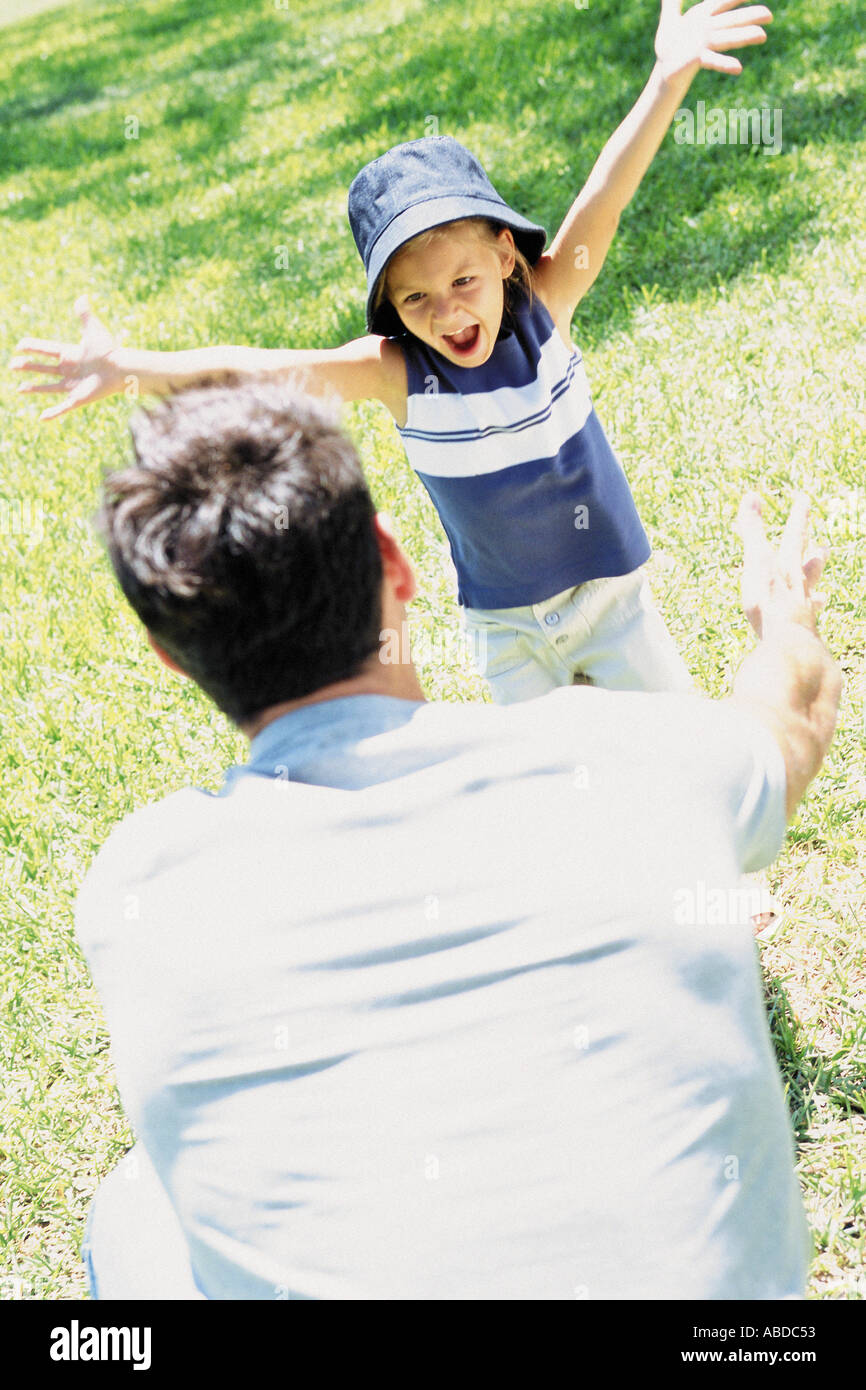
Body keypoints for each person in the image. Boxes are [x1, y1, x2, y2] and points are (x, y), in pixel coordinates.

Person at [77, 377, 839, 1300]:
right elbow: (790, 709)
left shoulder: (141, 891)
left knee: (133, 1208)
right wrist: (784, 617)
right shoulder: (641, 761)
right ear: (394, 561)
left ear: (168, 651)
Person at [11, 0, 773, 704]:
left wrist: (666, 80)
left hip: (610, 604)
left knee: (680, 759)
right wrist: (130, 368)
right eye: (416, 298)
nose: (446, 310)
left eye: (464, 279)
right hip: (506, 632)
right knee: (558, 805)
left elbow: (604, 195)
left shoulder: (546, 305)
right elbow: (258, 369)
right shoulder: (398, 373)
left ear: (507, 255)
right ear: (391, 308)